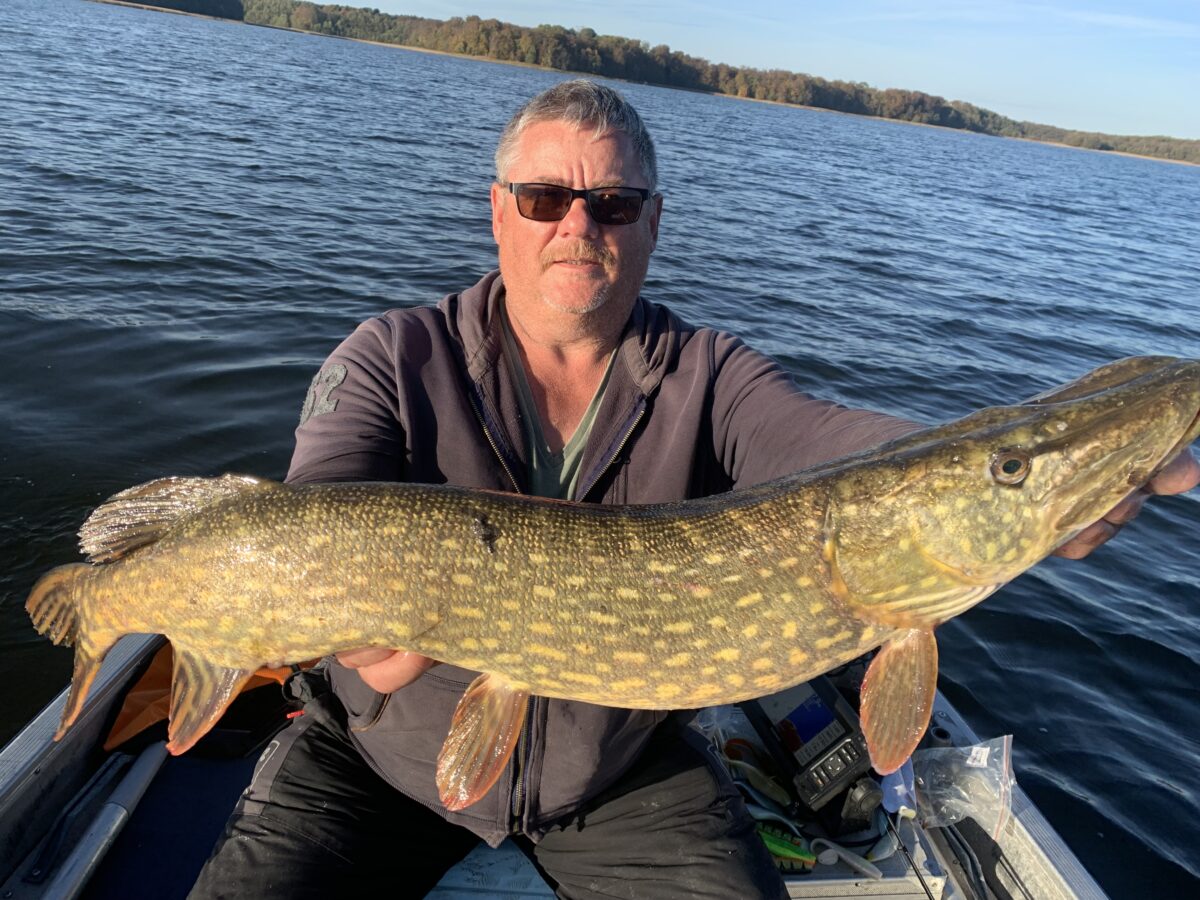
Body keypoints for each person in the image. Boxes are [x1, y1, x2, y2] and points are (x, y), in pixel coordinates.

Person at [190, 80, 1199, 899]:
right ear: (499, 212)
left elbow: (824, 445)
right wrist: (354, 632)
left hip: (618, 774)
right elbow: (313, 511)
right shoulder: (393, 356)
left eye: (613, 202)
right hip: (381, 762)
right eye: (546, 198)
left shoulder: (708, 374)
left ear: (652, 223)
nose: (577, 226)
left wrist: (1022, 487)